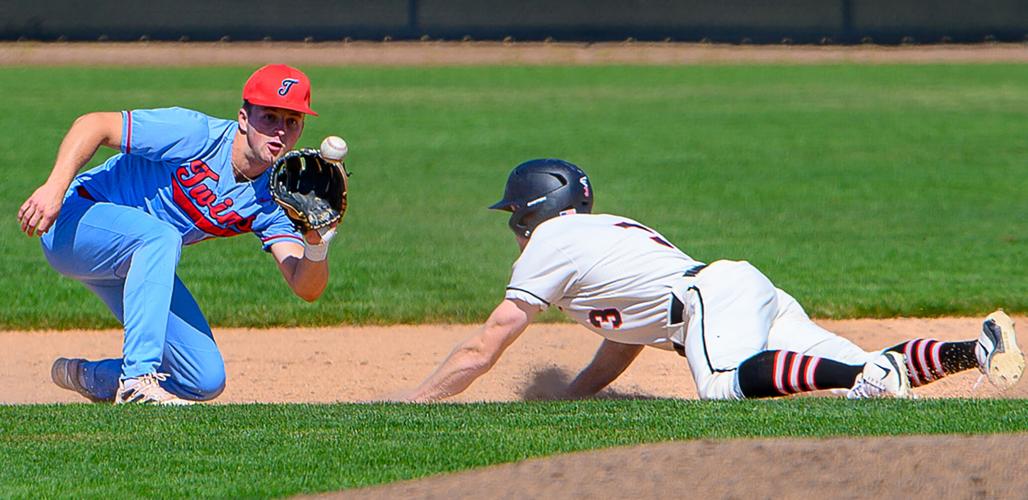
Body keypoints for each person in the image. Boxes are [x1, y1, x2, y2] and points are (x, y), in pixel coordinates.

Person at [389, 158, 1024, 402]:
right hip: (734, 290)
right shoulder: (600, 234)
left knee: (722, 388)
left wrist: (413, 402)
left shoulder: (549, 243)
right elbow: (626, 337)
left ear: (530, 212)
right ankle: (974, 351)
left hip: (708, 299)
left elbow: (489, 340)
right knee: (853, 365)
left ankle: (866, 377)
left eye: (515, 217)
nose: (515, 230)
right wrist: (574, 398)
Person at [17, 64, 339, 405]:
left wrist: (315, 241)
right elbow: (93, 124)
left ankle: (89, 376)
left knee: (203, 379)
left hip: (136, 261)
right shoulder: (195, 134)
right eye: (270, 117)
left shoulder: (274, 196)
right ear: (244, 118)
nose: (280, 132)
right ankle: (137, 379)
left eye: (292, 121)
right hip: (73, 222)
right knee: (160, 237)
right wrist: (54, 188)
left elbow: (306, 288)